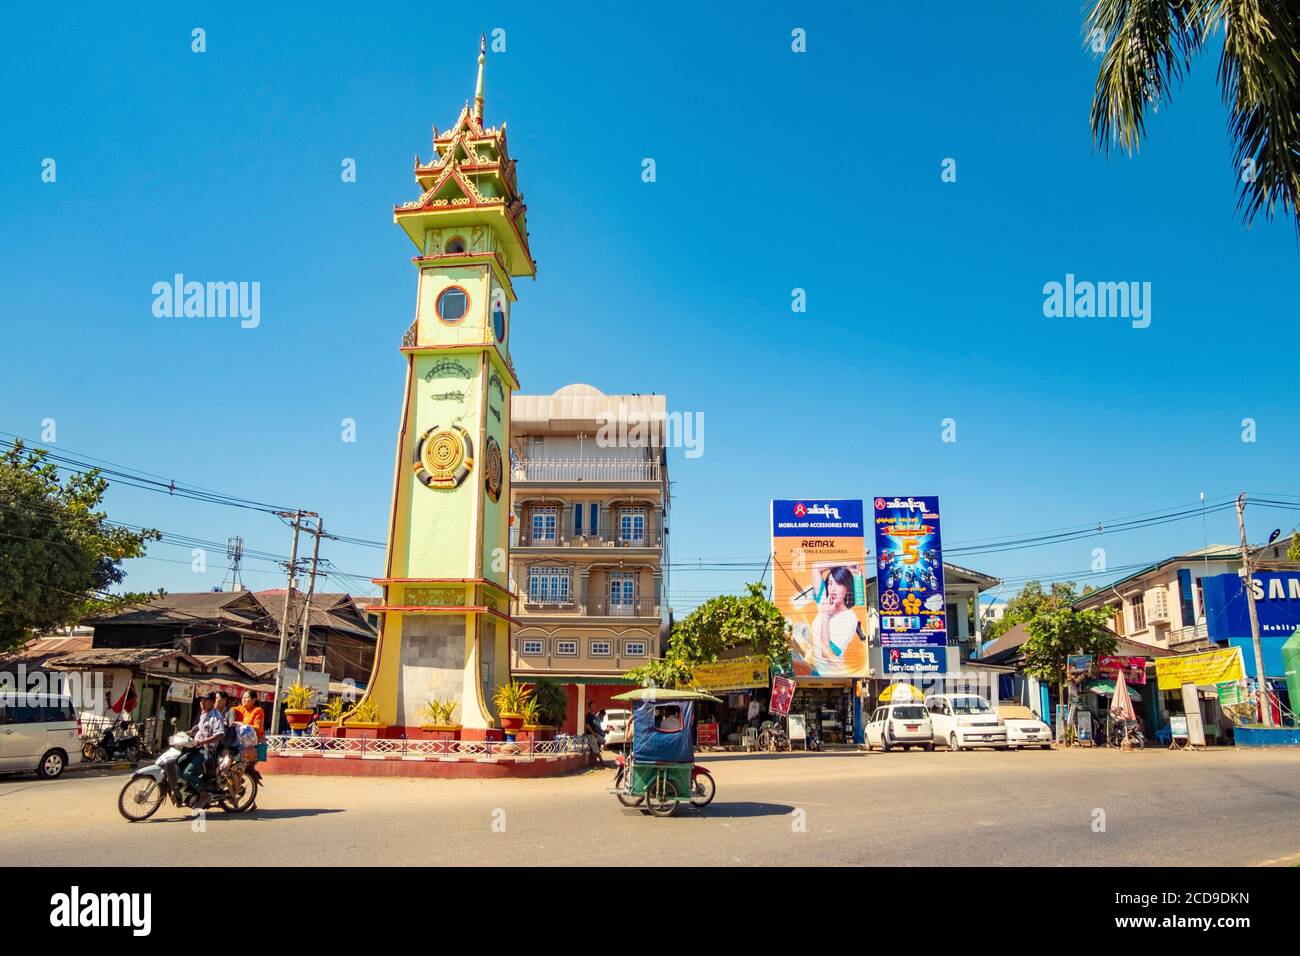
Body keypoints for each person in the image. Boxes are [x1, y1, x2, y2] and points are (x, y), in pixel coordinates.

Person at [806, 566, 867, 676]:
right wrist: (846, 565)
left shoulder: (849, 617)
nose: (833, 589)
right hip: (817, 672)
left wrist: (825, 616)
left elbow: (827, 652)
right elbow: (815, 567)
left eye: (838, 584)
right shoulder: (824, 603)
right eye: (830, 583)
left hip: (833, 675)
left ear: (847, 588)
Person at [183, 692, 227, 804]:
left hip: (207, 752)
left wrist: (202, 742)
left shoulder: (216, 716)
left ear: (212, 702)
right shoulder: (204, 714)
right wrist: (185, 734)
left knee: (188, 772)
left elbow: (220, 734)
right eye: (201, 700)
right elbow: (198, 728)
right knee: (180, 762)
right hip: (197, 748)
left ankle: (204, 794)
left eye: (205, 701)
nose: (202, 703)